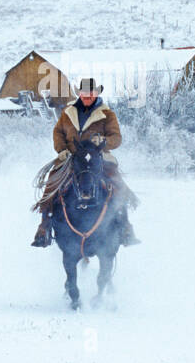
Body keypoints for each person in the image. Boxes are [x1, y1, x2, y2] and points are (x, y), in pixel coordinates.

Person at [32, 78, 141, 248]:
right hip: (71, 157)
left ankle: (125, 225)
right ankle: (44, 226)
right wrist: (62, 150)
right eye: (84, 94)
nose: (87, 97)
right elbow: (58, 132)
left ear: (96, 94)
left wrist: (104, 140)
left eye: (90, 94)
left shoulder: (107, 114)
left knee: (117, 183)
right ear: (79, 94)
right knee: (53, 181)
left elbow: (116, 138)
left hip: (98, 157)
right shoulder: (68, 112)